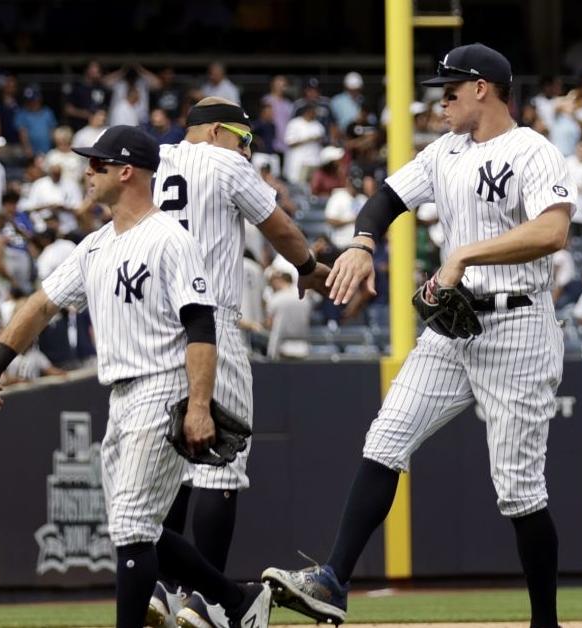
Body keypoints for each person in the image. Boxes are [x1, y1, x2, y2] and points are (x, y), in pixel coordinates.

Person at [260, 42, 575, 628]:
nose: (442, 98)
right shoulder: (444, 153)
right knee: (385, 440)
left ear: (483, 87)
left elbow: (553, 231)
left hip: (519, 325)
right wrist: (361, 242)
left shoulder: (534, 151)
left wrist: (462, 256)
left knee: (519, 490)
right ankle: (333, 579)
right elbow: (383, 200)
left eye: (451, 88)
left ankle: (545, 623)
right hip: (453, 326)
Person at [0, 125, 271, 628]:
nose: (87, 171)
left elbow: (201, 326)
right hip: (121, 395)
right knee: (137, 528)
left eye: (97, 164)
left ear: (126, 172)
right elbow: (39, 306)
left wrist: (200, 404)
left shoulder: (170, 238)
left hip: (163, 385)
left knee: (131, 525)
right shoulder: (96, 246)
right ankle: (236, 599)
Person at [149, 98, 331, 628]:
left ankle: (159, 588)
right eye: (241, 136)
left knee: (171, 471)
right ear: (211, 131)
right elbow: (279, 227)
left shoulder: (153, 161)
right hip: (211, 324)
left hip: (155, 331)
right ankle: (205, 601)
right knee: (219, 467)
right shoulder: (224, 162)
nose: (246, 147)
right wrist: (308, 266)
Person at [283, 104, 324, 185]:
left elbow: (322, 141)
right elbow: (289, 143)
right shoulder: (294, 123)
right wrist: (308, 139)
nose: (315, 114)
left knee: (313, 187)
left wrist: (319, 140)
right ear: (307, 112)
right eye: (313, 112)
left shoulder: (318, 125)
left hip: (314, 161)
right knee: (299, 187)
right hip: (299, 162)